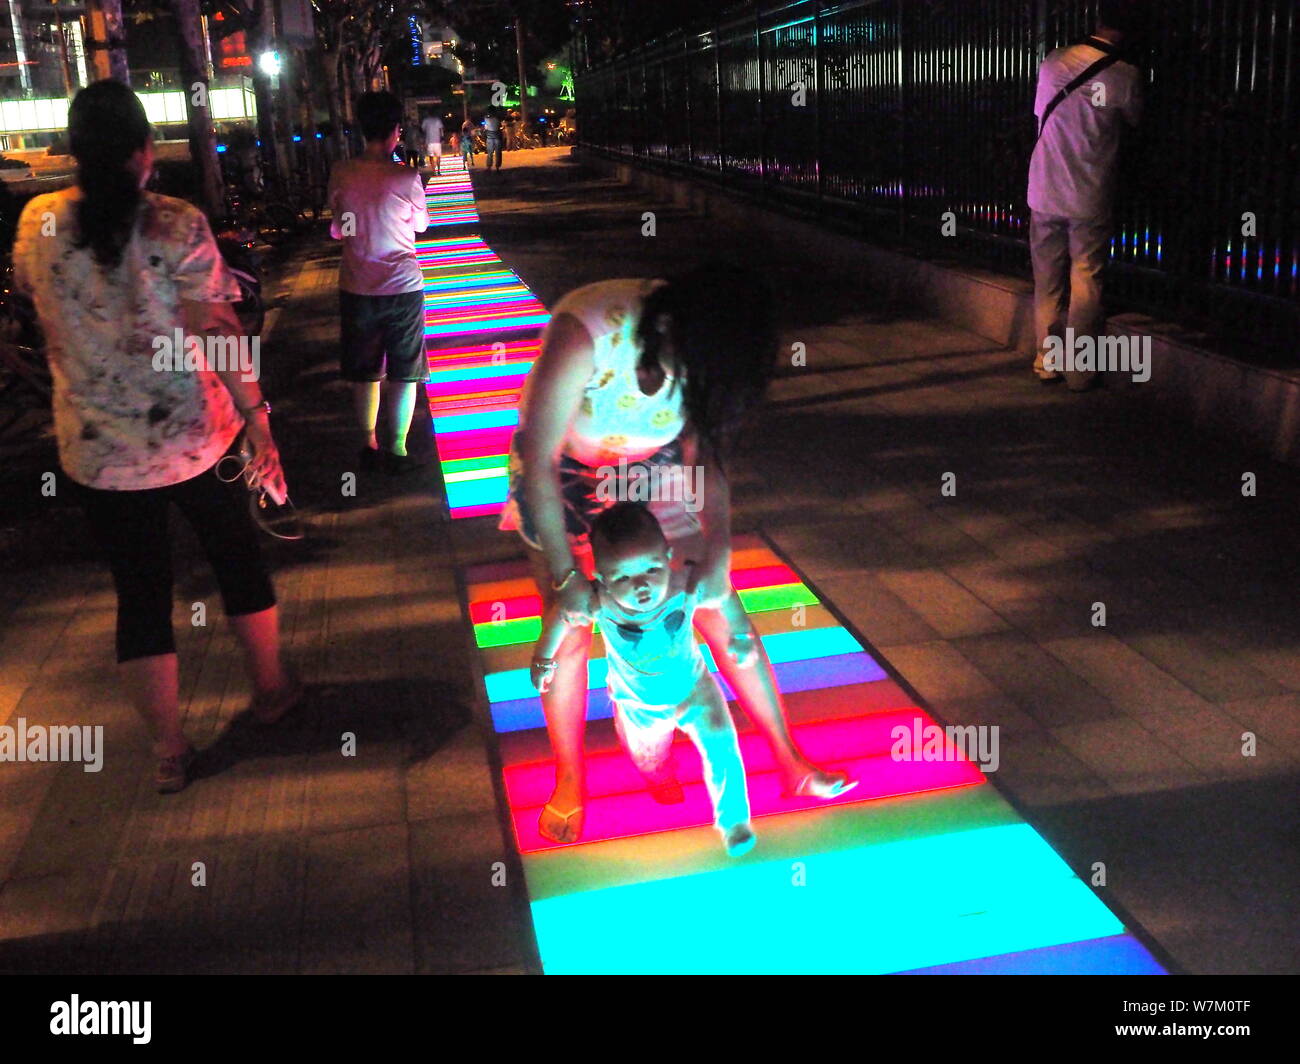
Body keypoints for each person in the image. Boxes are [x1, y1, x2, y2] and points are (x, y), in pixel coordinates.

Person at [10, 80, 300, 793]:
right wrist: (259, 422)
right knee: (237, 562)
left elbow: (29, 299)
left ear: (73, 151)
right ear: (145, 151)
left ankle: (169, 752)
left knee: (139, 596)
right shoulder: (175, 224)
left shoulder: (38, 221)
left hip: (99, 455)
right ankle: (270, 694)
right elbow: (221, 332)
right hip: (196, 440)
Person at [499, 267, 856, 845]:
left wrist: (718, 554)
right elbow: (538, 455)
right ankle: (570, 778)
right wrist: (568, 575)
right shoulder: (588, 329)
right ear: (677, 332)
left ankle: (790, 762)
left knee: (722, 608)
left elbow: (704, 458)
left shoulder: (709, 360)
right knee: (569, 626)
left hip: (651, 469)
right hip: (561, 470)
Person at [533, 503, 758, 856]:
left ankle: (734, 820)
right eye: (623, 577)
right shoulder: (600, 601)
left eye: (652, 569)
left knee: (722, 743)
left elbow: (722, 593)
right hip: (637, 703)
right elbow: (563, 615)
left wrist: (741, 633)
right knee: (649, 758)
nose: (641, 586)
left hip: (696, 690)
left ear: (668, 556)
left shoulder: (685, 582)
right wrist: (544, 657)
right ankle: (659, 774)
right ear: (602, 576)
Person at [1028, 0, 1144, 390]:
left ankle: (1048, 360)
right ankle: (1079, 370)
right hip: (1089, 194)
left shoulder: (1053, 63)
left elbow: (1040, 115)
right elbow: (1135, 121)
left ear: (1097, 19)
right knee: (1086, 277)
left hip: (1044, 188)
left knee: (1047, 279)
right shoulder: (1125, 76)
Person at [326, 91, 433, 475]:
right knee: (405, 370)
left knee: (366, 370)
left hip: (357, 286)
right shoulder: (406, 176)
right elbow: (421, 225)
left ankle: (367, 444)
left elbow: (339, 230)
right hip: (403, 287)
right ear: (395, 132)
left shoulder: (341, 172)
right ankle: (399, 449)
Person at [421, 110, 444, 176]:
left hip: (429, 141)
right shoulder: (437, 120)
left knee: (431, 157)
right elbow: (441, 129)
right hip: (437, 141)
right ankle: (438, 170)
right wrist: (442, 138)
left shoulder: (426, 120)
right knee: (438, 156)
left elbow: (423, 130)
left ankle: (434, 171)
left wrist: (423, 140)